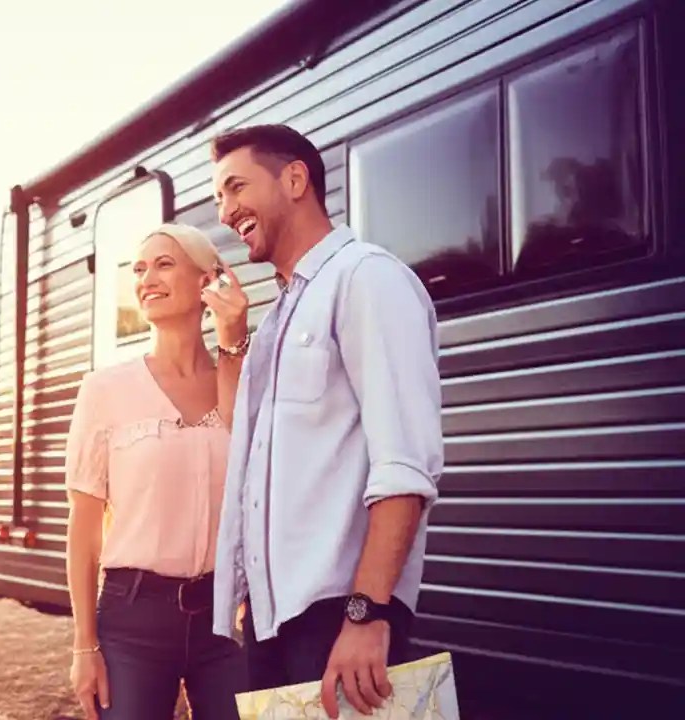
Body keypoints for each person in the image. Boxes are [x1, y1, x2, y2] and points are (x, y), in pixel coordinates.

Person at [205, 124, 444, 719]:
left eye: (236, 187)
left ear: (294, 179)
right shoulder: (281, 315)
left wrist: (368, 614)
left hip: (339, 616)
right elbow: (246, 444)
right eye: (218, 199)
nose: (227, 211)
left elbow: (405, 465)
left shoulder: (367, 278)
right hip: (273, 618)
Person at [65, 223, 249, 720]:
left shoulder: (246, 379)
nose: (147, 278)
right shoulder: (104, 389)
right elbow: (83, 531)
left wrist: (234, 338)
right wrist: (85, 647)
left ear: (208, 279)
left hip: (227, 620)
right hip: (132, 619)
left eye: (164, 264)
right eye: (140, 269)